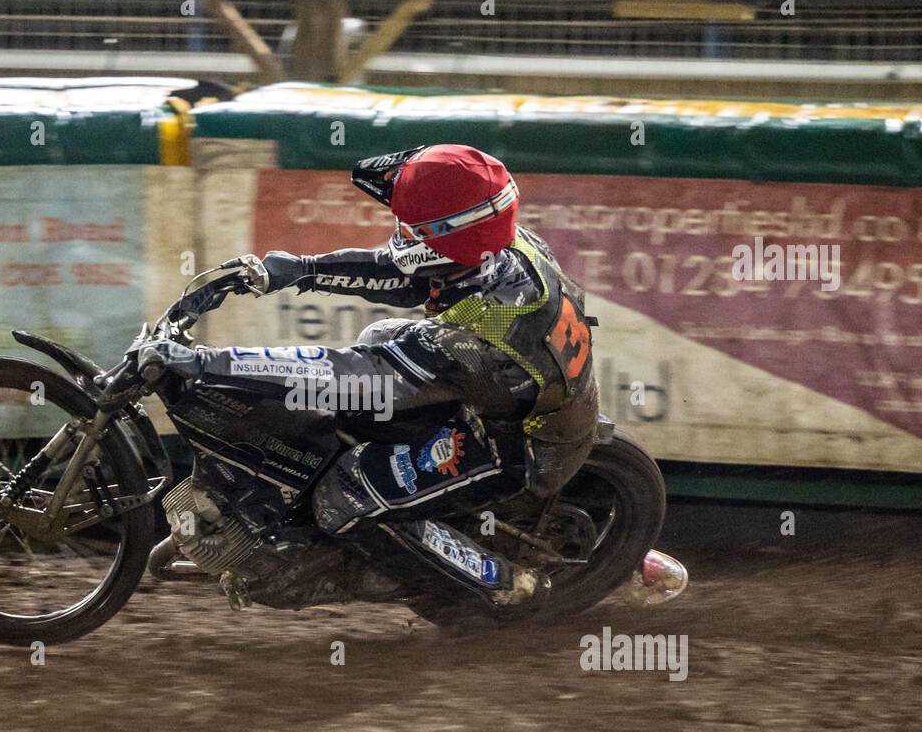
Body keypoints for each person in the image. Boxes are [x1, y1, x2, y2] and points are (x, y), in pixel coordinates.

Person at [142, 144, 600, 606]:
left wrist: (209, 364)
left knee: (344, 495)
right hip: (506, 394)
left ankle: (504, 585)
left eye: (415, 228)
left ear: (451, 233)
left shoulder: (473, 331)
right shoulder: (502, 247)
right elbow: (401, 276)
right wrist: (297, 271)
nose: (402, 233)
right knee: (378, 337)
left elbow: (350, 374)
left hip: (522, 445)